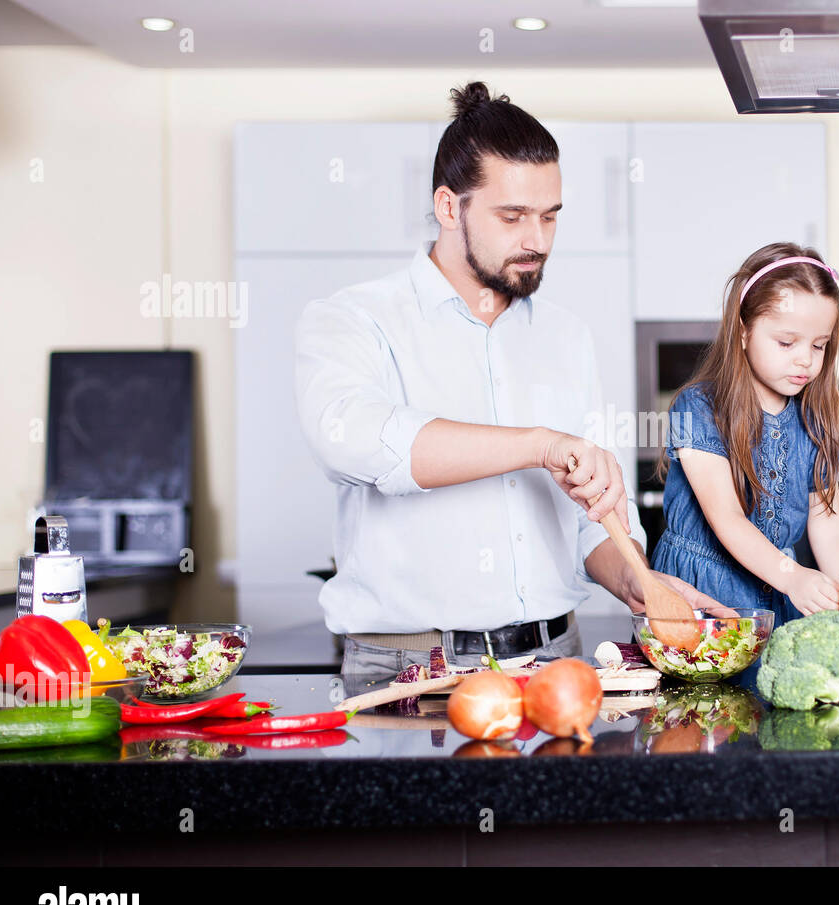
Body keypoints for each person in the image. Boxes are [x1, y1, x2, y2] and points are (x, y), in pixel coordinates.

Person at [295, 81, 718, 679]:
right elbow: (356, 444)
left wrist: (635, 580)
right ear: (449, 206)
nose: (537, 241)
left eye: (549, 216)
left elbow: (585, 522)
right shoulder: (353, 319)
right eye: (513, 216)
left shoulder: (567, 337)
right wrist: (540, 445)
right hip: (410, 669)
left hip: (555, 663)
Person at [652, 242, 839, 632]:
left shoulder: (815, 417)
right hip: (700, 601)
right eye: (786, 342)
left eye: (819, 345)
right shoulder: (696, 407)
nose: (805, 359)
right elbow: (727, 518)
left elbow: (827, 521)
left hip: (774, 596)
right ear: (744, 332)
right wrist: (793, 576)